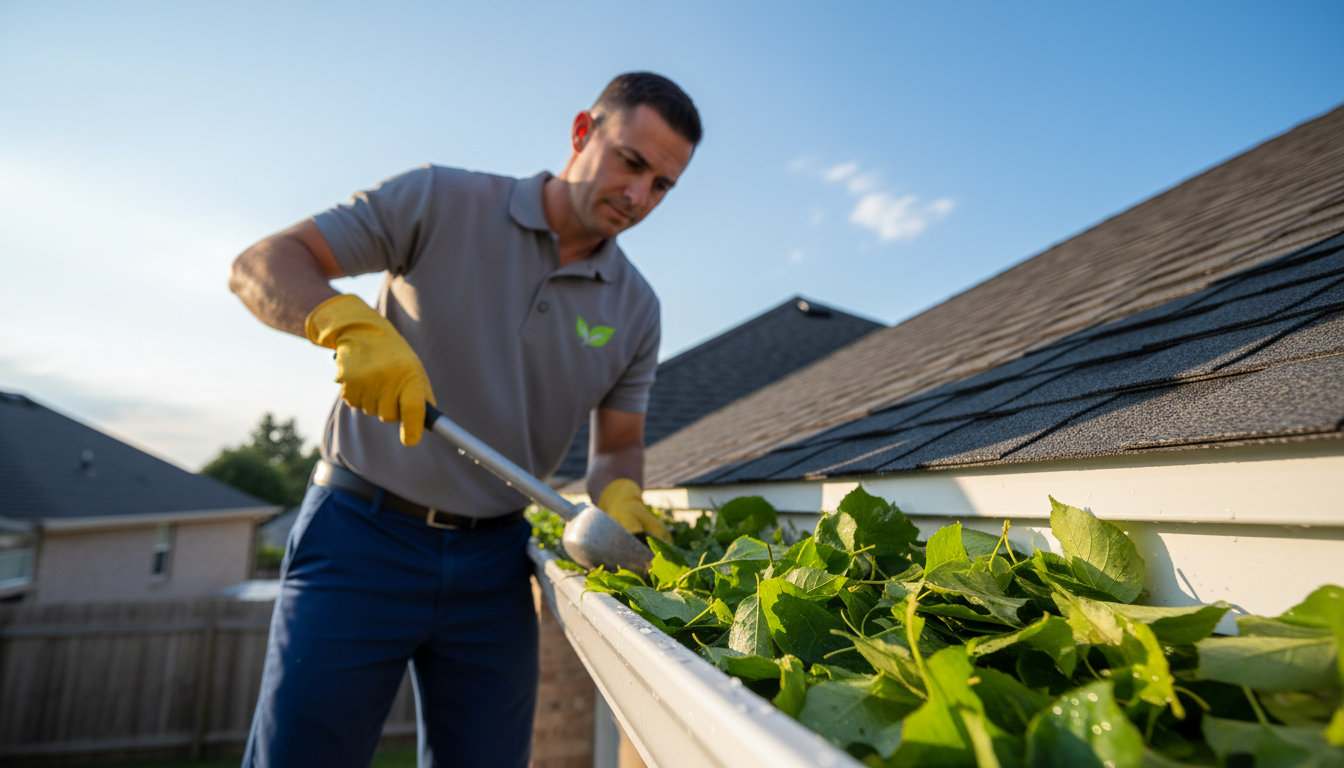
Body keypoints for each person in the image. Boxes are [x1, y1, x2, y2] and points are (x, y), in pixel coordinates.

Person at [227, 72, 700, 768]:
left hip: (494, 566)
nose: (639, 196)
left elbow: (619, 446)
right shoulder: (440, 199)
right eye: (632, 162)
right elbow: (261, 263)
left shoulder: (636, 309)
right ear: (581, 133)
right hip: (360, 536)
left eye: (662, 185)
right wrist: (343, 321)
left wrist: (621, 496)